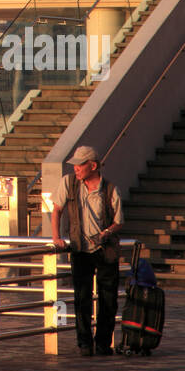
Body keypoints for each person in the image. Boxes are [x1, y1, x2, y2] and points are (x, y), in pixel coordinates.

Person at [50, 145, 123, 357]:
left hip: (105, 250)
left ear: (93, 165)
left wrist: (107, 232)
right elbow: (56, 210)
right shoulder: (69, 183)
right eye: (75, 165)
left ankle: (102, 343)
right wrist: (56, 238)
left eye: (80, 165)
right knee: (81, 298)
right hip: (80, 249)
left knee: (107, 299)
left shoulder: (110, 189)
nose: (76, 169)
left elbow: (119, 221)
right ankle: (84, 343)